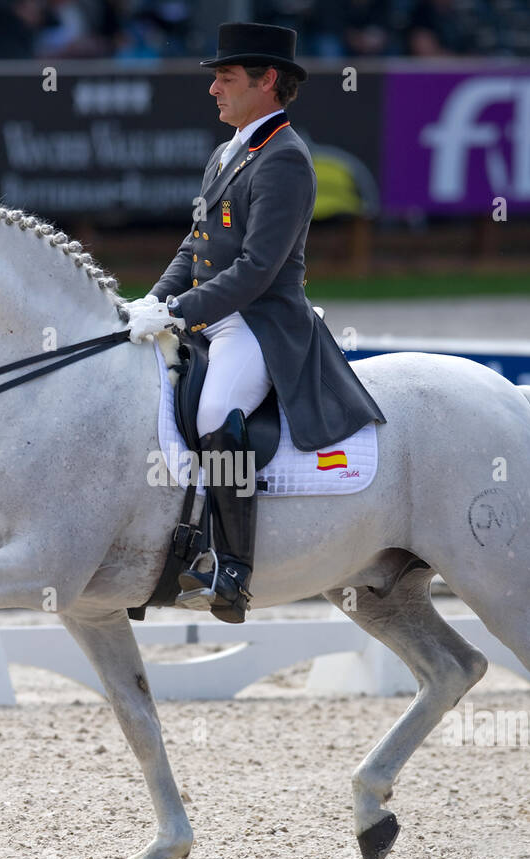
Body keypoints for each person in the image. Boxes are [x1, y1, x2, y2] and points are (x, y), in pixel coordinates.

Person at [124, 21, 386, 624]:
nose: (214, 90)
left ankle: (232, 569)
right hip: (210, 316)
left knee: (217, 413)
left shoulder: (287, 159)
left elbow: (257, 269)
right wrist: (150, 302)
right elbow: (194, 247)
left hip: (257, 324)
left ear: (267, 81)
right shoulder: (229, 151)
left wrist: (177, 311)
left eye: (225, 78)